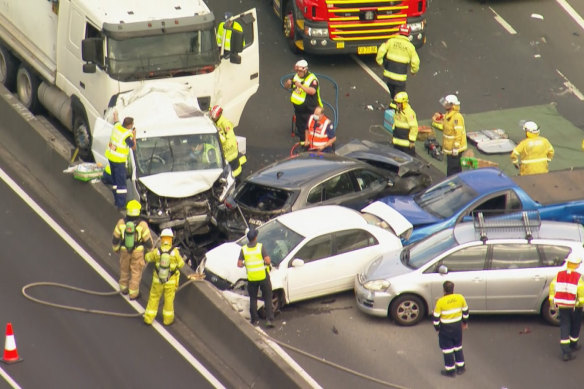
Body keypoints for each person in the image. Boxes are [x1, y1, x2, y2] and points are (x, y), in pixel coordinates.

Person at [112, 200, 154, 300]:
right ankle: (133, 293)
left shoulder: (121, 222)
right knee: (136, 272)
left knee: (124, 269)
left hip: (124, 250)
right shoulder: (142, 224)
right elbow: (148, 241)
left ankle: (123, 288)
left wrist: (116, 248)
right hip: (137, 251)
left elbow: (115, 238)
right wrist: (151, 251)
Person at [143, 228, 185, 326]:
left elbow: (147, 258)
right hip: (170, 282)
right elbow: (181, 264)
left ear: (162, 239)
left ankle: (148, 318)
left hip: (157, 280)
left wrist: (151, 251)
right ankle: (168, 320)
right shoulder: (175, 252)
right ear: (171, 239)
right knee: (168, 300)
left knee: (153, 298)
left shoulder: (157, 251)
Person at [548, 254, 584, 361]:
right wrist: (581, 304)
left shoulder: (559, 275)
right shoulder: (578, 277)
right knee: (575, 325)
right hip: (574, 306)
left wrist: (552, 303)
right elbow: (581, 293)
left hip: (562, 305)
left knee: (565, 326)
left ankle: (565, 350)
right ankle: (573, 344)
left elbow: (552, 288)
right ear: (576, 265)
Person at [237, 228, 275, 328]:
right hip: (263, 276)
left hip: (252, 278)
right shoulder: (260, 247)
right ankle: (269, 320)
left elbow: (239, 264)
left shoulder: (244, 249)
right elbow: (267, 261)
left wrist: (247, 264)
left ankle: (254, 320)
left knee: (253, 298)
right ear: (255, 238)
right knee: (267, 297)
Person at [433, 281, 469, 378]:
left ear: (444, 290)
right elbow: (465, 311)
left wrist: (437, 328)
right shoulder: (460, 297)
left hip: (445, 328)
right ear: (453, 289)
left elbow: (436, 318)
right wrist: (464, 323)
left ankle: (450, 371)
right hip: (457, 327)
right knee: (458, 347)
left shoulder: (441, 301)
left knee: (447, 350)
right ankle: (461, 368)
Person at [376, 24, 420, 100]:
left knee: (393, 95)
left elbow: (381, 50)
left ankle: (393, 106)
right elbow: (415, 62)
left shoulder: (391, 41)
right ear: (408, 34)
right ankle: (397, 109)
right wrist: (413, 71)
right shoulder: (410, 47)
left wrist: (380, 62)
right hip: (400, 78)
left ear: (399, 32)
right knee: (400, 97)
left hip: (388, 76)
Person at [284, 59, 323, 139]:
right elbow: (287, 87)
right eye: (297, 71)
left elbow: (312, 91)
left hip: (310, 109)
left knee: (312, 127)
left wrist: (301, 86)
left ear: (305, 70)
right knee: (301, 128)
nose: (298, 73)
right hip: (299, 110)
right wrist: (287, 84)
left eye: (300, 71)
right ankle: (303, 144)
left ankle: (313, 143)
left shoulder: (312, 79)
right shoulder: (295, 77)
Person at [105, 111, 135, 210]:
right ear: (130, 125)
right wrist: (134, 135)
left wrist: (116, 114)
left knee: (115, 182)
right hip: (119, 161)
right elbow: (133, 147)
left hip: (111, 158)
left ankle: (116, 200)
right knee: (121, 184)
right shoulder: (127, 135)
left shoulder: (117, 127)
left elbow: (116, 120)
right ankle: (121, 205)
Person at [210, 105, 247, 178]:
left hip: (230, 153)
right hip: (229, 154)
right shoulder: (217, 123)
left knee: (234, 173)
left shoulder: (224, 123)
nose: (213, 118)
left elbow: (230, 139)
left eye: (214, 117)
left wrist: (224, 150)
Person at [434, 94, 467, 176]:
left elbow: (458, 134)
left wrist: (456, 148)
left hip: (455, 149)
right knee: (455, 167)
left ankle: (452, 184)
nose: (445, 105)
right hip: (450, 147)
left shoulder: (457, 117)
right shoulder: (449, 115)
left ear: (452, 105)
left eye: (447, 104)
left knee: (452, 169)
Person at [391, 91, 418, 156]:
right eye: (396, 103)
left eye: (398, 103)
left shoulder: (409, 113)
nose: (397, 104)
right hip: (397, 141)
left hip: (406, 145)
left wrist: (412, 141)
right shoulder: (398, 110)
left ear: (404, 103)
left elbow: (414, 127)